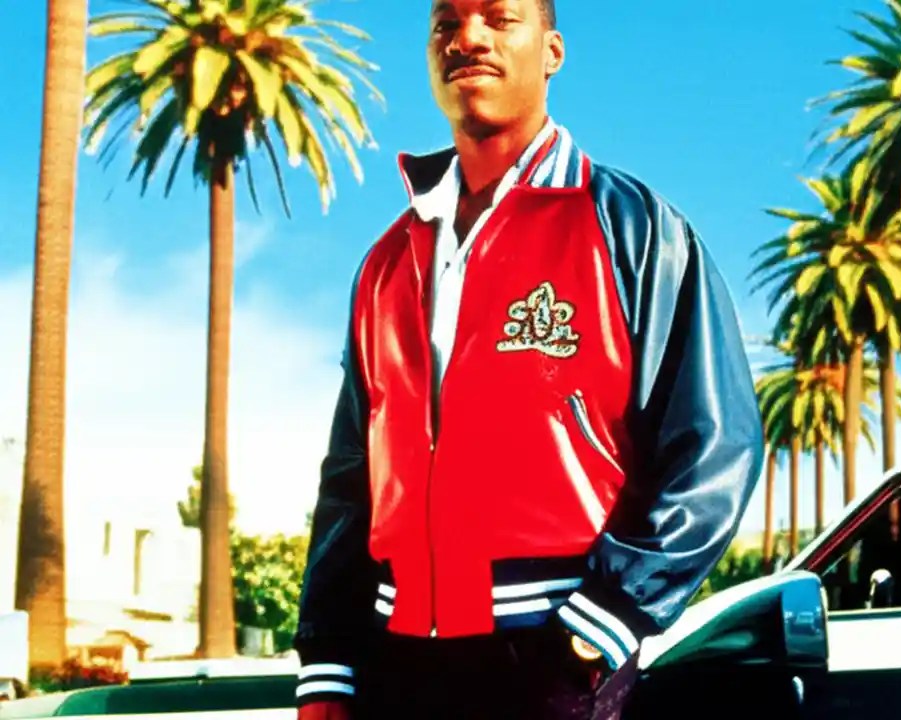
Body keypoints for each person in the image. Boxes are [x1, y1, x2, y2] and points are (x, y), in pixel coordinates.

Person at [292, 0, 764, 717]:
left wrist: (604, 622)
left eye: (497, 17)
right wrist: (327, 657)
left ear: (552, 51)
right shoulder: (388, 261)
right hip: (397, 661)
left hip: (554, 655)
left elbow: (713, 444)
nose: (466, 38)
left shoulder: (633, 228)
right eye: (446, 24)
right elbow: (352, 476)